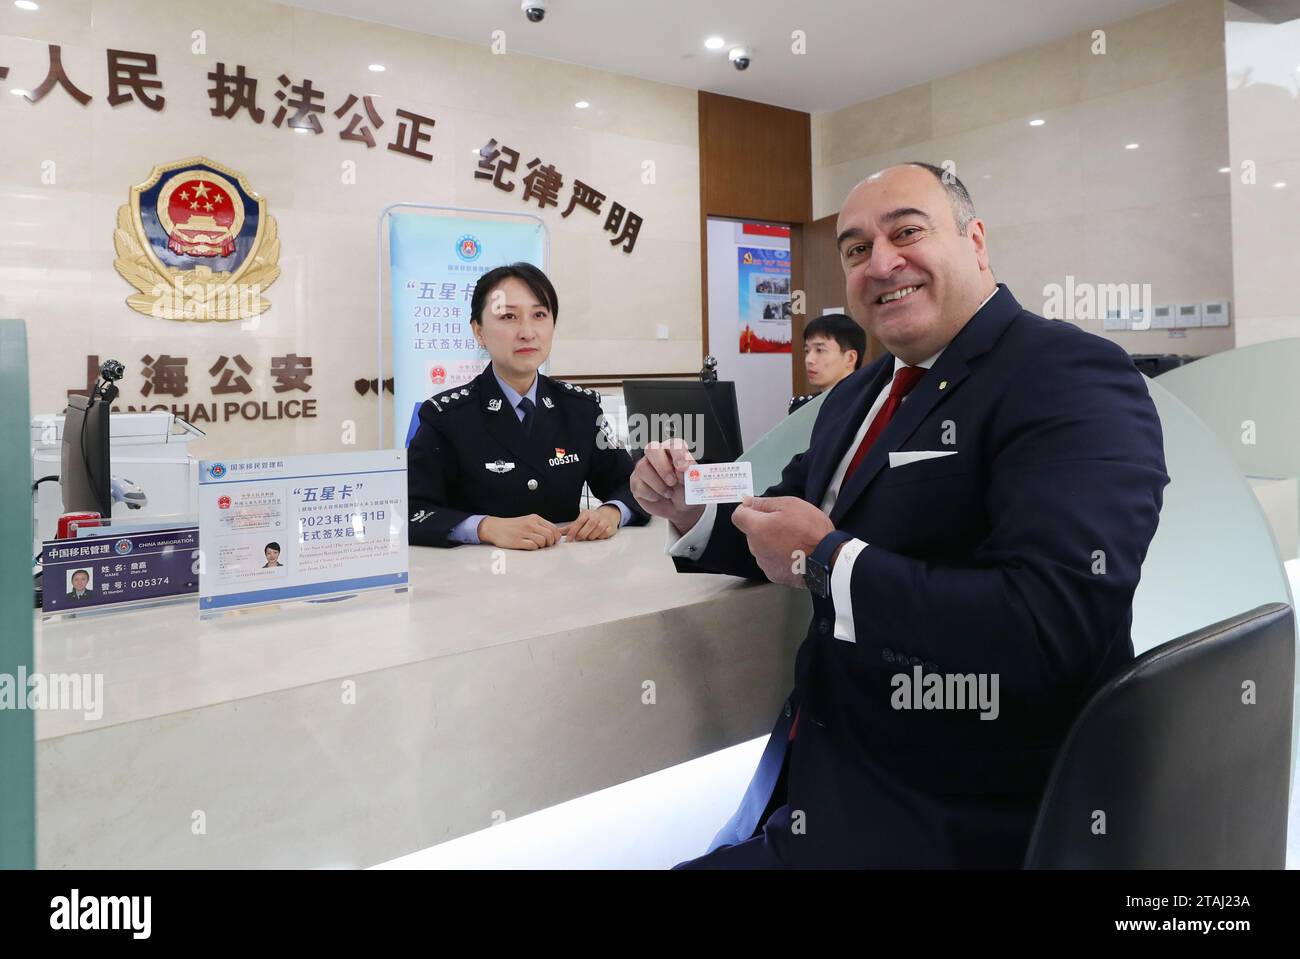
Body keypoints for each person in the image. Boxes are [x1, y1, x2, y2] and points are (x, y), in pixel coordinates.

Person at [630, 162, 1169, 868]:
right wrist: (693, 513)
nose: (882, 262)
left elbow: (1051, 623)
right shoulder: (855, 400)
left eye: (907, 231)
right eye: (855, 249)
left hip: (964, 819)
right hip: (820, 784)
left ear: (975, 241)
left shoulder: (1069, 374)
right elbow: (789, 524)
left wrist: (829, 559)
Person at [407, 262, 649, 550]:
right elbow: (410, 511)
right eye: (508, 316)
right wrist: (485, 527)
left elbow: (633, 486)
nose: (527, 332)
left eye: (539, 315)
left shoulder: (581, 409)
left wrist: (611, 512)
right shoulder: (446, 417)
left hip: (567, 576)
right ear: (479, 331)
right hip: (475, 583)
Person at [789, 313, 866, 414]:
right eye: (807, 350)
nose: (809, 360)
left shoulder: (868, 407)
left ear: (850, 358)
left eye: (820, 350)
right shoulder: (802, 408)